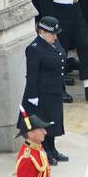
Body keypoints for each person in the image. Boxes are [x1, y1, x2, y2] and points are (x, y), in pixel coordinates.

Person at [23, 17, 70, 163]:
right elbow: (32, 74)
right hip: (42, 92)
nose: (55, 37)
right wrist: (32, 95)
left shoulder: (53, 42)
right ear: (42, 32)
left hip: (55, 89)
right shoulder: (34, 48)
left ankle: (53, 149)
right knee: (44, 122)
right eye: (52, 34)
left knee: (54, 121)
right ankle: (46, 150)